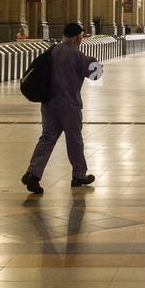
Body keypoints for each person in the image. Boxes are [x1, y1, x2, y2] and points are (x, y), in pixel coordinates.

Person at [21, 21, 98, 194]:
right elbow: (96, 74)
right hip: (69, 106)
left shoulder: (53, 51)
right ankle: (79, 175)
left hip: (49, 104)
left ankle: (33, 173)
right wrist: (93, 61)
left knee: (47, 138)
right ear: (78, 37)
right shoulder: (77, 56)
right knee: (74, 140)